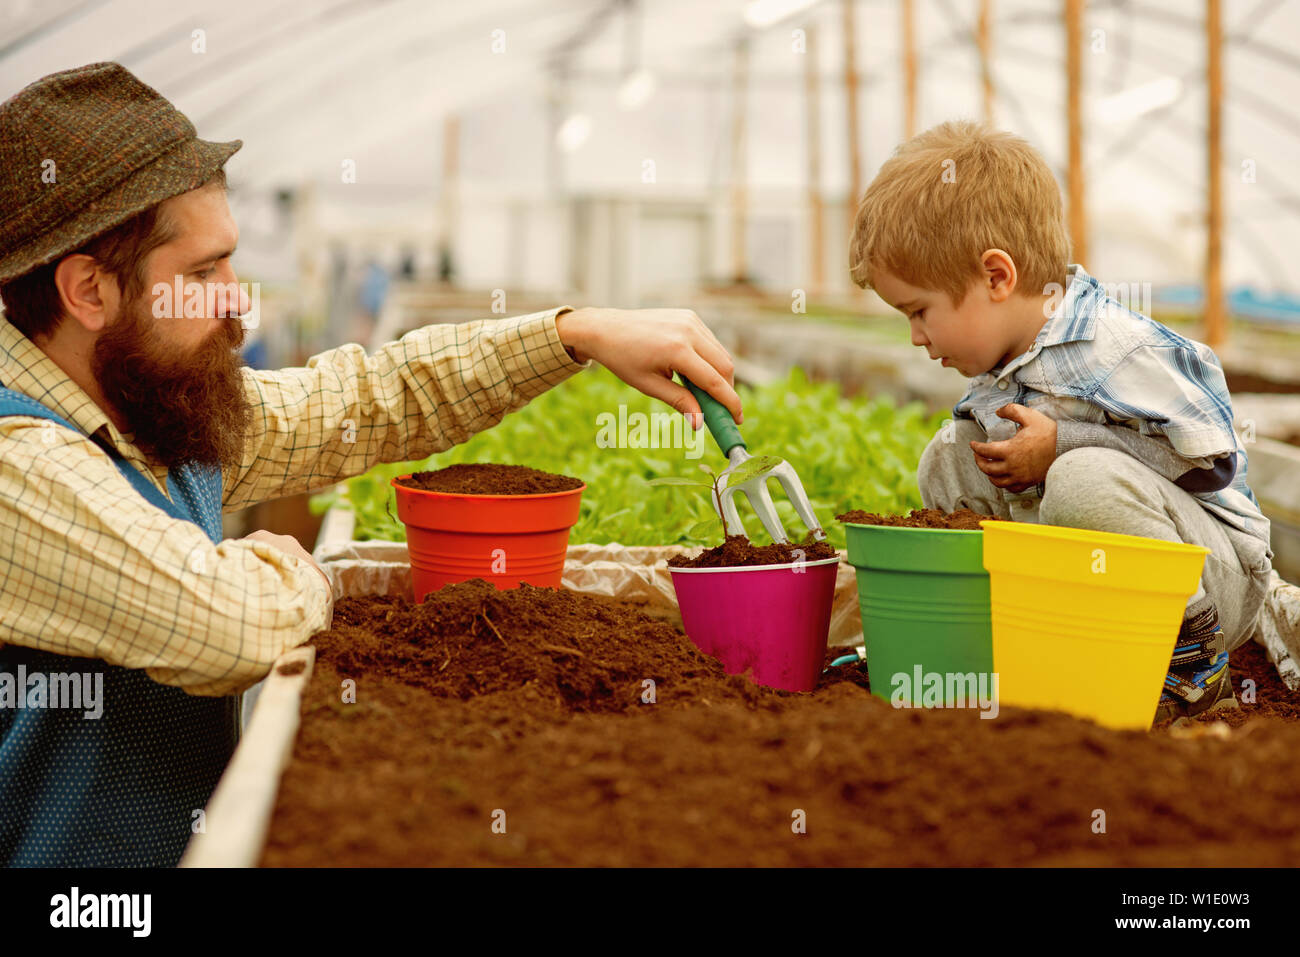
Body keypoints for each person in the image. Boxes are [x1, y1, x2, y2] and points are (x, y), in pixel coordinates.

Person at [0, 62, 740, 866]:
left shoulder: (145, 414)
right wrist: (305, 573)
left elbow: (370, 399)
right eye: (203, 272)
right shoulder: (19, 466)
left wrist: (574, 334)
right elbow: (228, 624)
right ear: (88, 291)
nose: (237, 299)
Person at [848, 119, 1299, 727]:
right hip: (1098, 579)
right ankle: (990, 642)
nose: (916, 338)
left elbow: (1211, 462)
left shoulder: (1117, 349)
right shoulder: (1008, 362)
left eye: (920, 311)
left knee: (1082, 476)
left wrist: (1064, 443)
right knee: (951, 453)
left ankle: (1191, 666)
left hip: (1211, 579)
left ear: (996, 277)